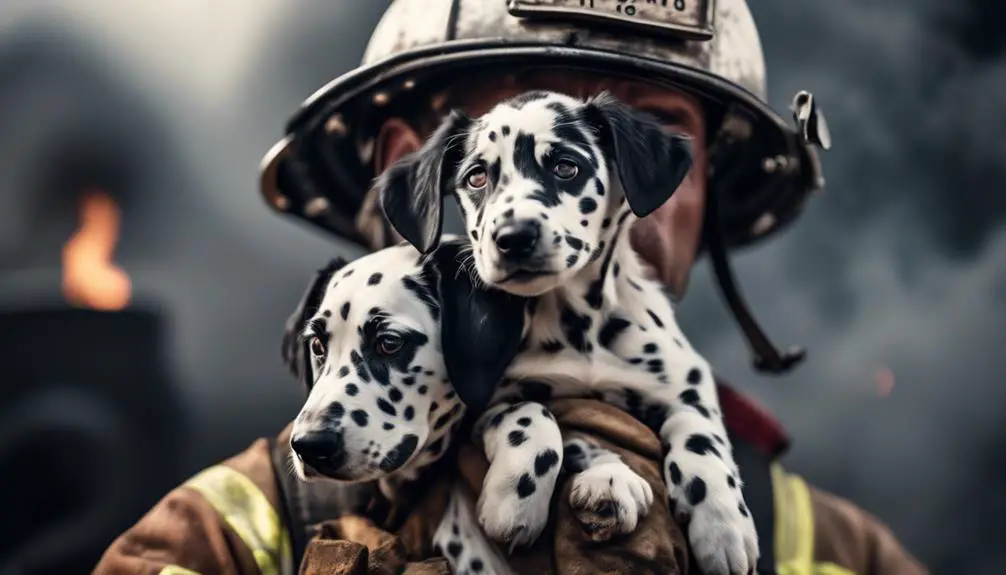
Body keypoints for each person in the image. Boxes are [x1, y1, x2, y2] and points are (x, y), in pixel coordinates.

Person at [94, 1, 928, 574]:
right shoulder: (247, 526)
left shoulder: (829, 547)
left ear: (702, 180)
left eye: (661, 134)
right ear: (407, 170)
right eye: (511, 148)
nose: (581, 193)